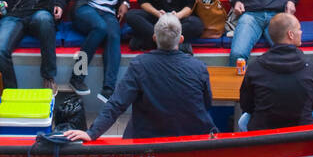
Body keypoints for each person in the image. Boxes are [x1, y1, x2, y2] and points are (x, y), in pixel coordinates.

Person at [62, 14, 214, 141]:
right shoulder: (199, 67)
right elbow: (207, 103)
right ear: (181, 40)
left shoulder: (139, 65)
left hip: (148, 139)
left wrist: (91, 133)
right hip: (191, 138)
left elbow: (117, 104)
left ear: (154, 38)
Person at [238, 12, 313, 131]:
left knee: (243, 120)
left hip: (262, 134)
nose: (301, 32)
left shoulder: (254, 68)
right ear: (290, 35)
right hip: (302, 133)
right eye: (299, 29)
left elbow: (246, 106)